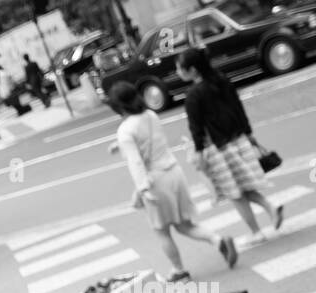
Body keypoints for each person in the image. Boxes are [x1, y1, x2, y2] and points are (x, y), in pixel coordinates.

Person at [110, 81, 237, 280]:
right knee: (184, 225)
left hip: (155, 181)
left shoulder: (125, 130)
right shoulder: (150, 115)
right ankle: (218, 240)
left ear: (117, 106)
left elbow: (136, 162)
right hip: (174, 172)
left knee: (162, 231)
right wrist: (119, 145)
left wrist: (143, 190)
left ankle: (179, 270)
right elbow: (146, 140)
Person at [178, 47, 283, 244]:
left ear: (192, 70)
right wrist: (248, 133)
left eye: (180, 68)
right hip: (240, 139)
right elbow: (238, 107)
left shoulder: (194, 95)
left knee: (234, 193)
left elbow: (196, 128)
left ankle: (256, 232)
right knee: (242, 186)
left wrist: (199, 153)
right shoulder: (221, 80)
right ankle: (270, 206)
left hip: (219, 149)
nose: (178, 72)